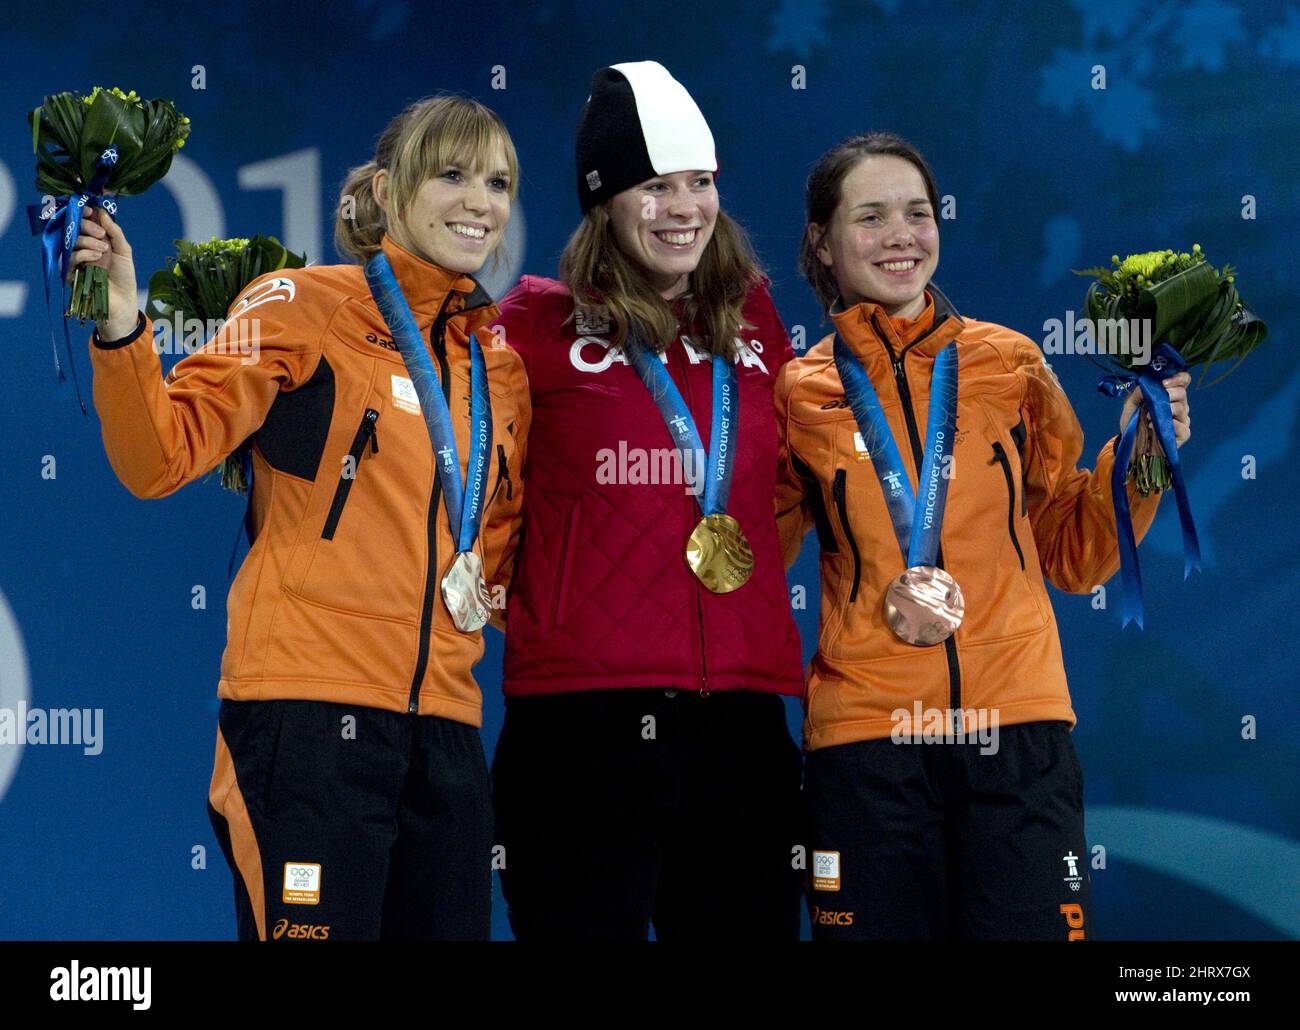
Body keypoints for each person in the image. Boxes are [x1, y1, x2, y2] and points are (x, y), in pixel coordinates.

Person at [74, 95, 529, 940]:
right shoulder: (300, 303)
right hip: (308, 720)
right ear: (390, 193)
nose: (480, 202)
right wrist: (122, 326)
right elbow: (160, 456)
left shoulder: (497, 364)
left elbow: (493, 551)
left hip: (449, 735)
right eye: (453, 174)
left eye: (499, 183)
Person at [776, 132, 1192, 940]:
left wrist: (1142, 458)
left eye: (918, 213)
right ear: (822, 242)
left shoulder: (1010, 363)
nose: (902, 235)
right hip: (868, 745)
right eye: (871, 217)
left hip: (1018, 733)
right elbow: (757, 554)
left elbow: (1075, 553)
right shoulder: (796, 392)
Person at [488, 61, 804, 940]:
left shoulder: (756, 325)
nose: (683, 208)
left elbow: (787, 487)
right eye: (654, 186)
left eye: (700, 184)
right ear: (604, 203)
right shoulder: (533, 324)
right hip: (579, 725)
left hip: (740, 723)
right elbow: (478, 480)